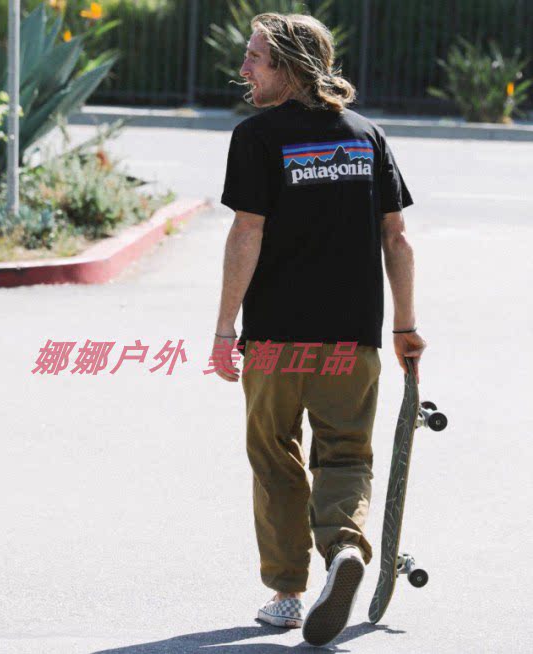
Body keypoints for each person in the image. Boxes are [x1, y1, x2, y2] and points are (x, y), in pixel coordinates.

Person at [212, 12, 427, 648]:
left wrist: (224, 328)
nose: (244, 68)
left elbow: (246, 231)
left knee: (275, 455)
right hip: (353, 338)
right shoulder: (366, 136)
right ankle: (344, 549)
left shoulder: (257, 136)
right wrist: (405, 326)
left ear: (289, 67)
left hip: (277, 339)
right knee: (346, 455)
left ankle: (286, 595)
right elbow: (397, 238)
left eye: (255, 57)